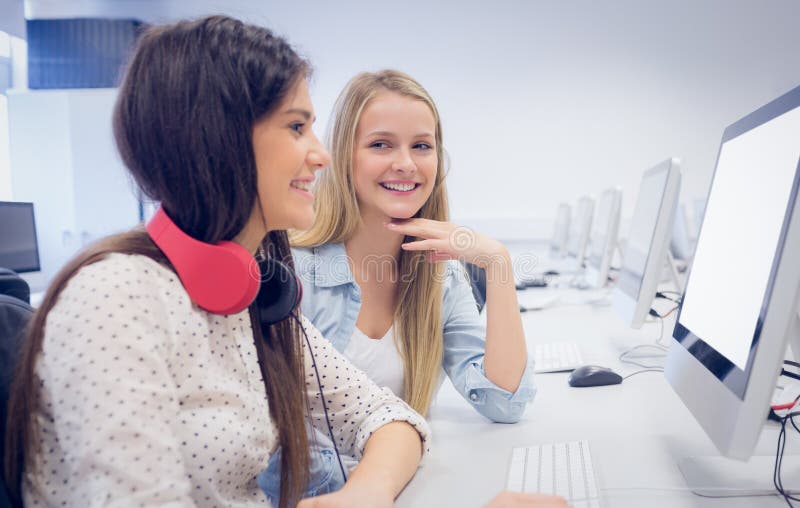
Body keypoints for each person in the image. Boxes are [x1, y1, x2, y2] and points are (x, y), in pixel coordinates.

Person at [2, 17, 430, 508]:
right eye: (296, 127)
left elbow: (388, 417)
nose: (321, 155)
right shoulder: (115, 297)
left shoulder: (251, 291)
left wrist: (365, 493)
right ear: (218, 136)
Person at [291, 70, 535, 422]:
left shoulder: (442, 277)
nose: (406, 164)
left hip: (405, 473)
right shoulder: (294, 272)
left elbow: (504, 403)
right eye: (381, 145)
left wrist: (498, 263)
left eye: (421, 146)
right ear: (344, 156)